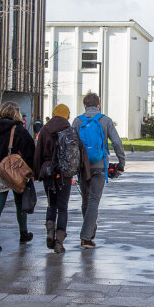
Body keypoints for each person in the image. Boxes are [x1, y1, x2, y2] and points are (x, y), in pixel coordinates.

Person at [71, 92, 125, 249]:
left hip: (83, 167)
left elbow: (71, 143)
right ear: (99, 105)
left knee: (86, 200)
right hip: (100, 166)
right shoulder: (105, 120)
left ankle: (89, 228)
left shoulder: (77, 121)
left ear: (85, 106)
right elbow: (116, 142)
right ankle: (86, 236)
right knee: (94, 201)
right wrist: (121, 162)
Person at [34, 104, 90, 254]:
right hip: (65, 173)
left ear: (53, 114)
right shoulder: (71, 130)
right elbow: (80, 152)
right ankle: (59, 242)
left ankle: (49, 233)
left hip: (48, 172)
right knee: (63, 207)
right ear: (67, 115)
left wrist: (37, 173)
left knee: (51, 204)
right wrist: (83, 172)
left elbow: (38, 152)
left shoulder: (45, 129)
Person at [0, 101, 37, 251]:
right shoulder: (20, 130)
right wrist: (32, 171)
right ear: (17, 113)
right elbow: (29, 151)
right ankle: (23, 233)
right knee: (20, 203)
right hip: (16, 172)